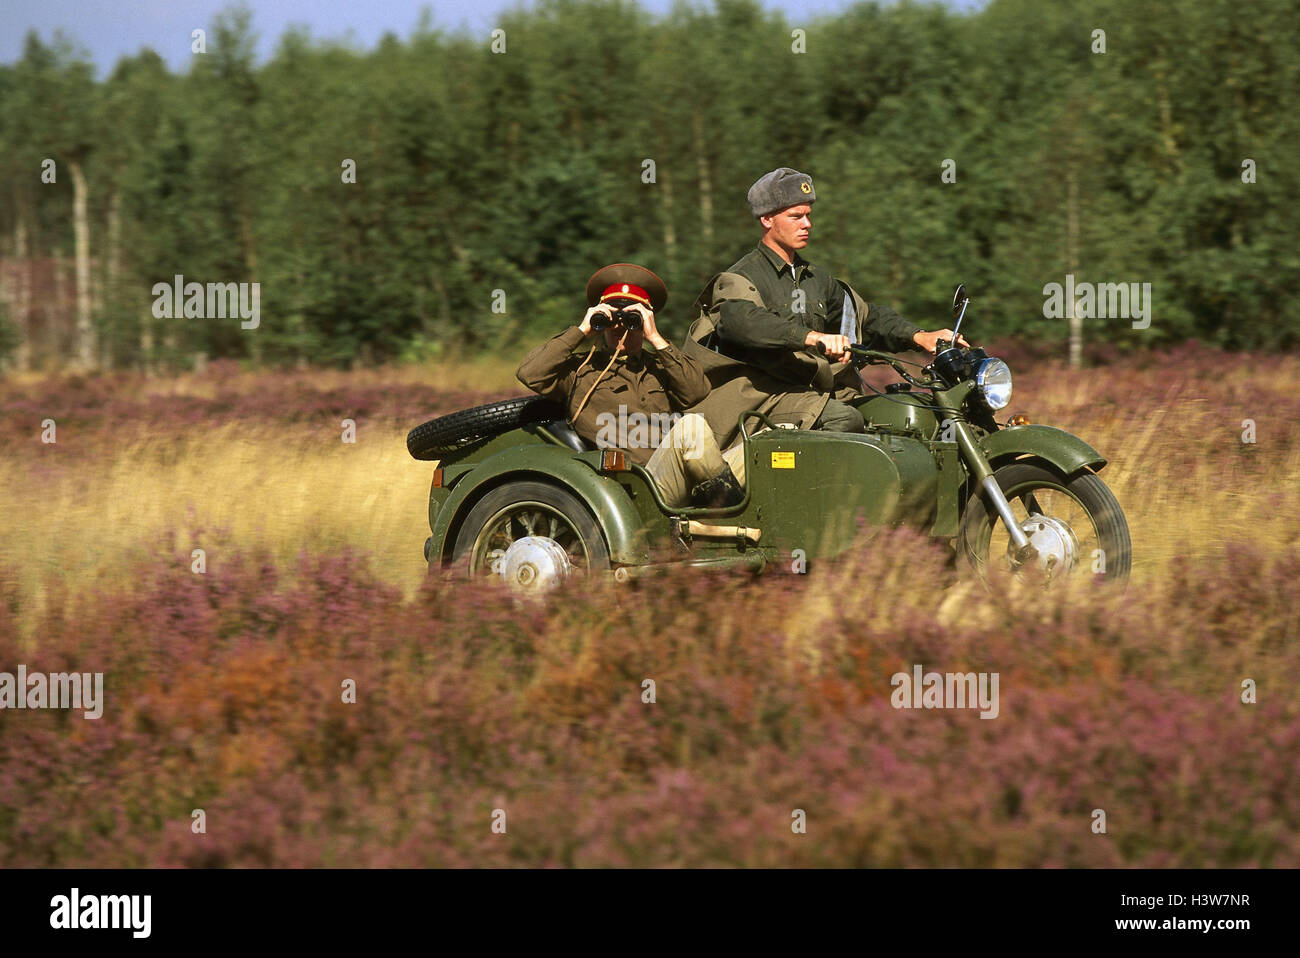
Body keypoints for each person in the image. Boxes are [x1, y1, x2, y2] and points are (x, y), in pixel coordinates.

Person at [683, 167, 968, 447]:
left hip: (809, 394)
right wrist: (813, 337)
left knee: (899, 416)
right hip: (760, 398)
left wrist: (920, 337)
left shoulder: (815, 279)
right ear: (767, 219)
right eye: (795, 216)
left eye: (808, 215)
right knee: (843, 420)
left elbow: (866, 317)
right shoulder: (740, 277)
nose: (806, 224)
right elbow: (742, 323)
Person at [516, 263, 746, 509]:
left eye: (631, 319)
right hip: (640, 488)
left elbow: (696, 390)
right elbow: (530, 374)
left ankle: (723, 510)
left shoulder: (660, 365)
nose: (620, 327)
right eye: (613, 319)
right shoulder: (580, 371)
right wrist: (583, 330)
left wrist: (656, 338)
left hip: (680, 475)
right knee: (691, 427)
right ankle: (730, 512)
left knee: (767, 446)